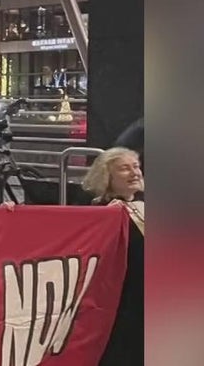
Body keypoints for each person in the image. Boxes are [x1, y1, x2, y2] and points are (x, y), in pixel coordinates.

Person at [81, 147, 143, 366]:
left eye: (136, 166)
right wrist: (109, 218)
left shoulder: (143, 204)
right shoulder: (101, 211)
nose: (135, 173)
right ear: (108, 176)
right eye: (125, 169)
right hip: (124, 301)